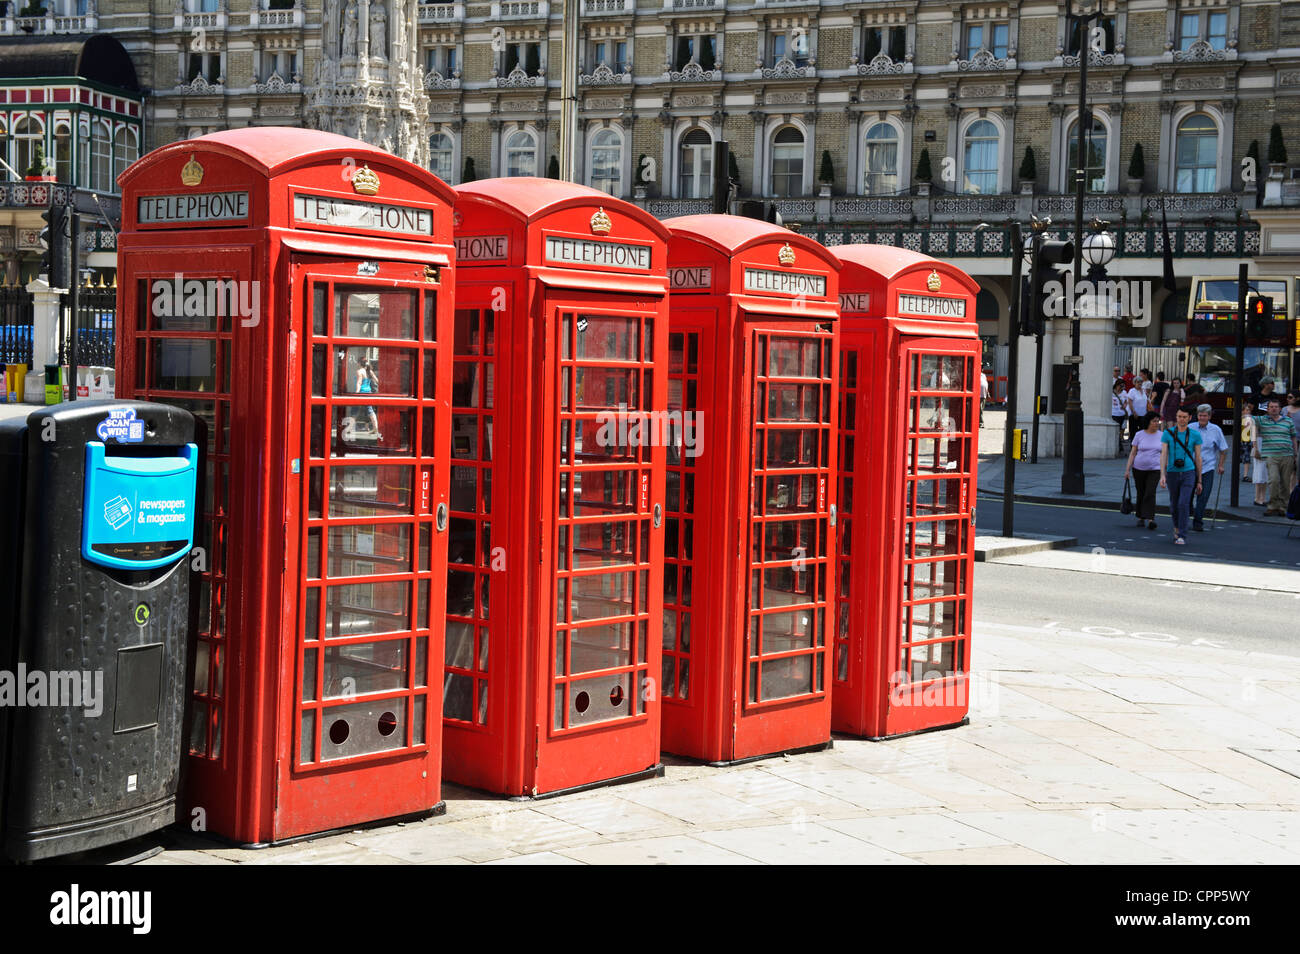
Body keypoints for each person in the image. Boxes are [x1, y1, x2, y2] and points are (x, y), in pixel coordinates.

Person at [1160, 407, 1203, 545]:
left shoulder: (1195, 435)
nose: (1181, 419)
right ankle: (1177, 528)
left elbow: (1198, 457)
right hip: (1172, 472)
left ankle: (1182, 534)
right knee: (1174, 505)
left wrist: (1199, 480)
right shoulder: (1167, 433)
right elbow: (1163, 454)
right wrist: (1162, 474)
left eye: (1184, 417)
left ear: (1190, 418)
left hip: (1189, 472)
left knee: (1183, 503)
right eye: (1179, 416)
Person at [1254, 398, 1298, 515]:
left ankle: (1283, 507)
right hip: (1271, 455)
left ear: (1280, 409)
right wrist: (1246, 413)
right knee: (1273, 480)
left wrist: (1295, 454)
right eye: (1271, 407)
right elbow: (1247, 420)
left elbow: (1293, 437)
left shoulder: (1288, 421)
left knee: (1285, 482)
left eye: (1276, 407)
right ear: (1267, 409)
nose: (1274, 409)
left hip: (1287, 455)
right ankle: (1273, 505)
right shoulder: (1262, 420)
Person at [1190, 404, 1228, 531]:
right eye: (1200, 415)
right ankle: (1185, 517)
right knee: (1187, 495)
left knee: (1204, 495)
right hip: (1190, 467)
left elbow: (1223, 449)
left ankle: (1198, 521)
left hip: (1207, 467)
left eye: (1205, 416)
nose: (1202, 418)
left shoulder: (1215, 430)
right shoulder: (1190, 428)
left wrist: (1221, 465)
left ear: (1209, 416)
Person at [1124, 413, 1163, 531]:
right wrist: (1127, 470)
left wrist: (1164, 470)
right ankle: (1141, 516)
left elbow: (1165, 453)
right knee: (1141, 492)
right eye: (1154, 421)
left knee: (1150, 492)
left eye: (1158, 421)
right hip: (1138, 468)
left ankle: (1151, 519)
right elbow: (1133, 452)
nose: (1157, 423)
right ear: (1148, 422)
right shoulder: (1139, 435)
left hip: (1155, 469)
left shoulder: (1162, 435)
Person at [1111, 381, 1128, 454]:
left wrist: (1125, 404)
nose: (1122, 388)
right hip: (1114, 414)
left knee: (1120, 432)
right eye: (1120, 386)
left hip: (1122, 414)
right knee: (1116, 432)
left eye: (1123, 386)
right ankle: (1120, 447)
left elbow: (1126, 400)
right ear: (1116, 385)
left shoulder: (1124, 393)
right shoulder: (1111, 392)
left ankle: (1120, 447)